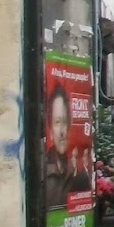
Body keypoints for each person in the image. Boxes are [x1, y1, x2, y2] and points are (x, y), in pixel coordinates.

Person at [43, 83, 72, 213]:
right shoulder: (43, 168)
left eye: (64, 122)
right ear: (50, 129)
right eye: (57, 122)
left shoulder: (77, 172)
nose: (61, 131)